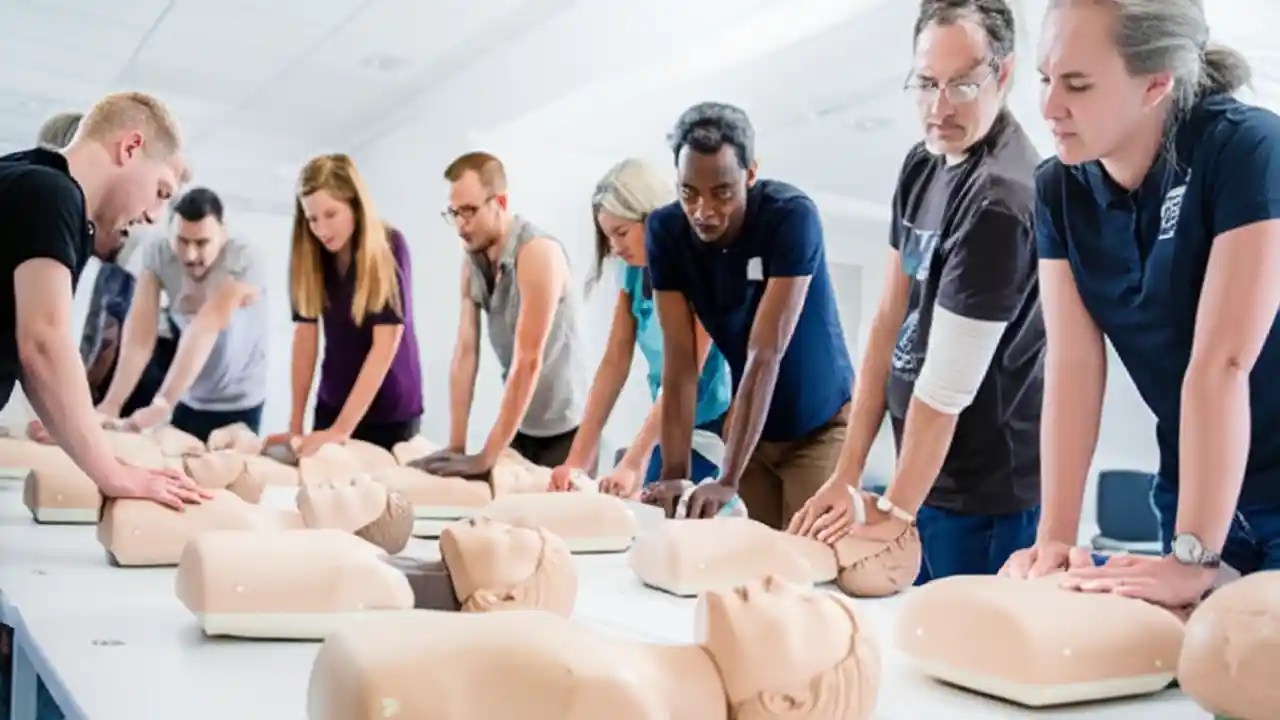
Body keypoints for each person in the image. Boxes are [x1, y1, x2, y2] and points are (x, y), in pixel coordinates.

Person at [999, 0, 1280, 610]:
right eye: (1047, 79)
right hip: (1193, 487)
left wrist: (1192, 555)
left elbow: (1221, 364)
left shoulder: (1248, 148)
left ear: (1156, 84)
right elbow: (1073, 368)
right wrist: (1055, 538)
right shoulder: (1058, 191)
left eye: (1077, 84)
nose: (1048, 108)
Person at [788, 0, 1044, 584]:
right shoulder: (922, 164)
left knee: (957, 658)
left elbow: (945, 389)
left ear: (1002, 75)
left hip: (984, 495)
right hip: (923, 473)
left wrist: (897, 510)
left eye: (961, 85)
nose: (938, 107)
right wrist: (847, 474)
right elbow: (886, 319)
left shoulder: (1001, 200)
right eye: (926, 83)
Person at [643, 102, 855, 528]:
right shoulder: (666, 231)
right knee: (750, 562)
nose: (703, 211)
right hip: (749, 434)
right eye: (689, 193)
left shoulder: (791, 217)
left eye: (721, 192)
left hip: (817, 427)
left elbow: (765, 352)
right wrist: (675, 479)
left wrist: (727, 478)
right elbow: (681, 364)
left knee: (802, 560)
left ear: (751, 174)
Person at [0, 90, 207, 509]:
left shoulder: (28, 176)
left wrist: (105, 459)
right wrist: (114, 476)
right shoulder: (52, 194)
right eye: (161, 192)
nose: (152, 215)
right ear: (131, 147)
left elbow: (34, 357)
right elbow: (43, 345)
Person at [546, 158, 732, 497]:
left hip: (721, 425)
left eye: (621, 232)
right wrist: (577, 460)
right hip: (673, 419)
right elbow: (614, 363)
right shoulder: (633, 272)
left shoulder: (701, 267)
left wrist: (635, 459)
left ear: (653, 218)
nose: (615, 246)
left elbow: (685, 372)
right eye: (608, 236)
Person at [415, 152, 586, 476]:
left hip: (567, 432)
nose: (461, 225)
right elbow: (465, 354)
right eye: (453, 213)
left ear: (500, 202)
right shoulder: (472, 263)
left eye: (469, 211)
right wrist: (456, 446)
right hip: (521, 427)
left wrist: (485, 457)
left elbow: (528, 360)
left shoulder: (537, 252)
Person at [276, 154, 424, 457]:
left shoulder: (389, 246)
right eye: (312, 218)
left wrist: (341, 431)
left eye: (331, 214)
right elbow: (305, 340)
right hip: (333, 401)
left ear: (355, 204)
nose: (320, 229)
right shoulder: (310, 254)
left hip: (388, 410)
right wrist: (295, 425)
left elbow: (385, 345)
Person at [93, 187, 268, 442]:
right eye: (182, 241)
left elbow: (205, 326)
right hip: (186, 395)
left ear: (223, 234)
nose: (190, 254)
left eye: (202, 243)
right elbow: (141, 335)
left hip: (239, 400)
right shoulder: (158, 251)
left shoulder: (244, 258)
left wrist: (162, 403)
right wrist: (111, 405)